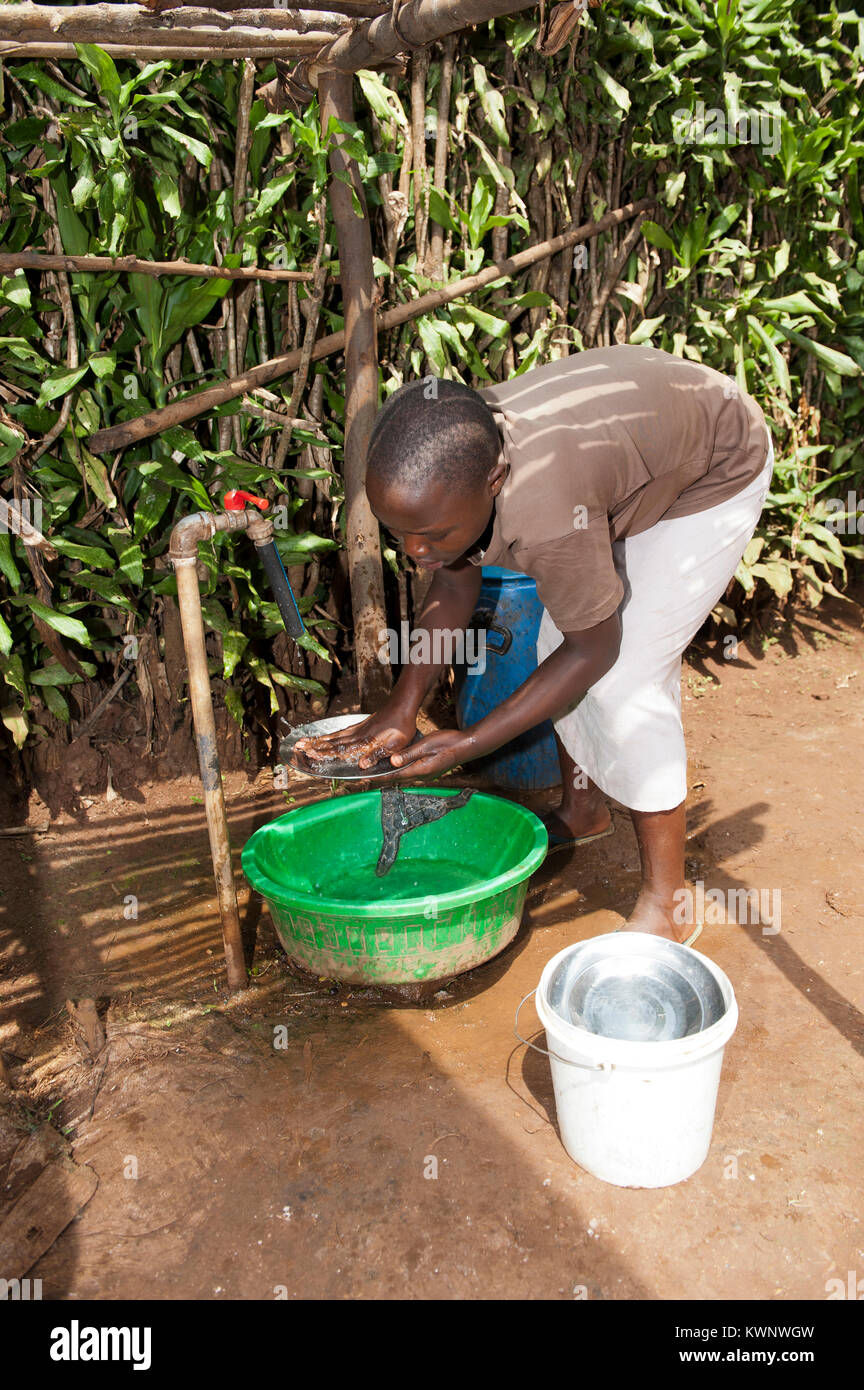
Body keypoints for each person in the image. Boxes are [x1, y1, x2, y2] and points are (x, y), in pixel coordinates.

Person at [294, 345, 774, 943]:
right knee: (559, 640)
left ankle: (669, 903)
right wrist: (402, 706)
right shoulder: (458, 455)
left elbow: (594, 648)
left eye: (433, 534)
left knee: (624, 678)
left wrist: (470, 741)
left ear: (495, 481)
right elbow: (454, 572)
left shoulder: (544, 509)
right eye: (399, 534)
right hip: (629, 451)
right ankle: (584, 811)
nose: (416, 551)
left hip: (713, 465)